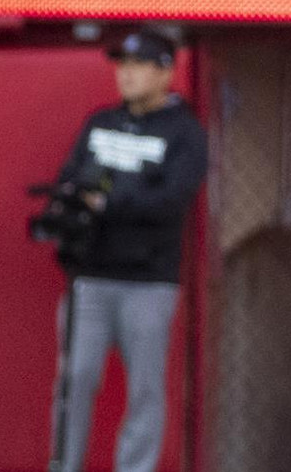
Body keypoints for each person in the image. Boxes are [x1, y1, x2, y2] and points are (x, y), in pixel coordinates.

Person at [47, 29, 208, 472]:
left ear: (166, 72)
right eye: (122, 65)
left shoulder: (184, 133)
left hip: (148, 283)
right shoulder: (101, 123)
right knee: (75, 379)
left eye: (138, 65)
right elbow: (71, 180)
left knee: (145, 388)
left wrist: (111, 200)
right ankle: (64, 464)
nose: (127, 74)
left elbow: (171, 199)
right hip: (90, 277)